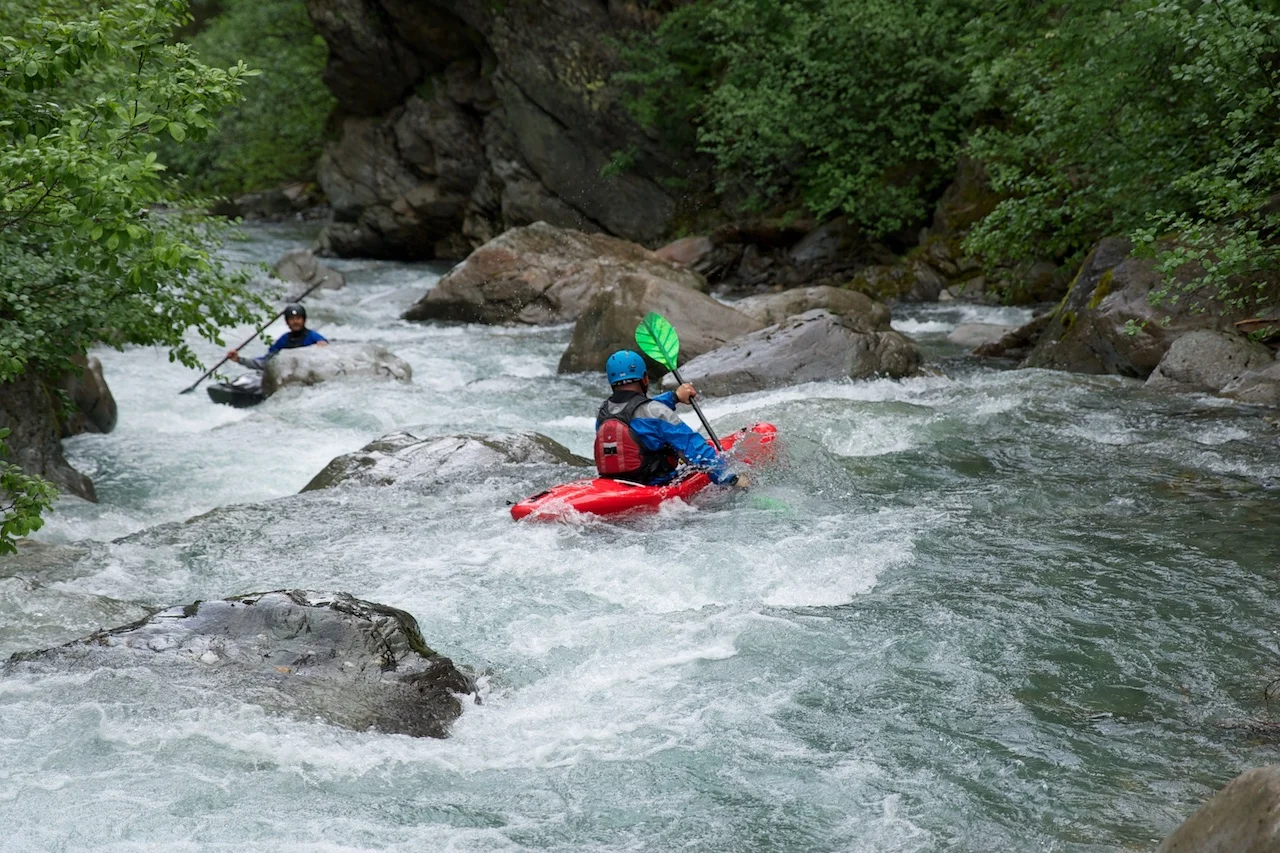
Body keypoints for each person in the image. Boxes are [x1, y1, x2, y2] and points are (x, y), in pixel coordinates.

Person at [594, 349, 746, 487]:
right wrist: (731, 478)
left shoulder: (603, 413)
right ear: (645, 379)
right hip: (655, 486)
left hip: (614, 483)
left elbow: (635, 412)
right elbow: (695, 449)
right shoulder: (657, 413)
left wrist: (674, 397)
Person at [227, 303, 327, 370]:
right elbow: (266, 362)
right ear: (287, 322)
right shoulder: (283, 340)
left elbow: (328, 352)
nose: (295, 322)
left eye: (298, 318)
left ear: (304, 320)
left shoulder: (313, 337)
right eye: (291, 319)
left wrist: (323, 347)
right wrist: (239, 360)